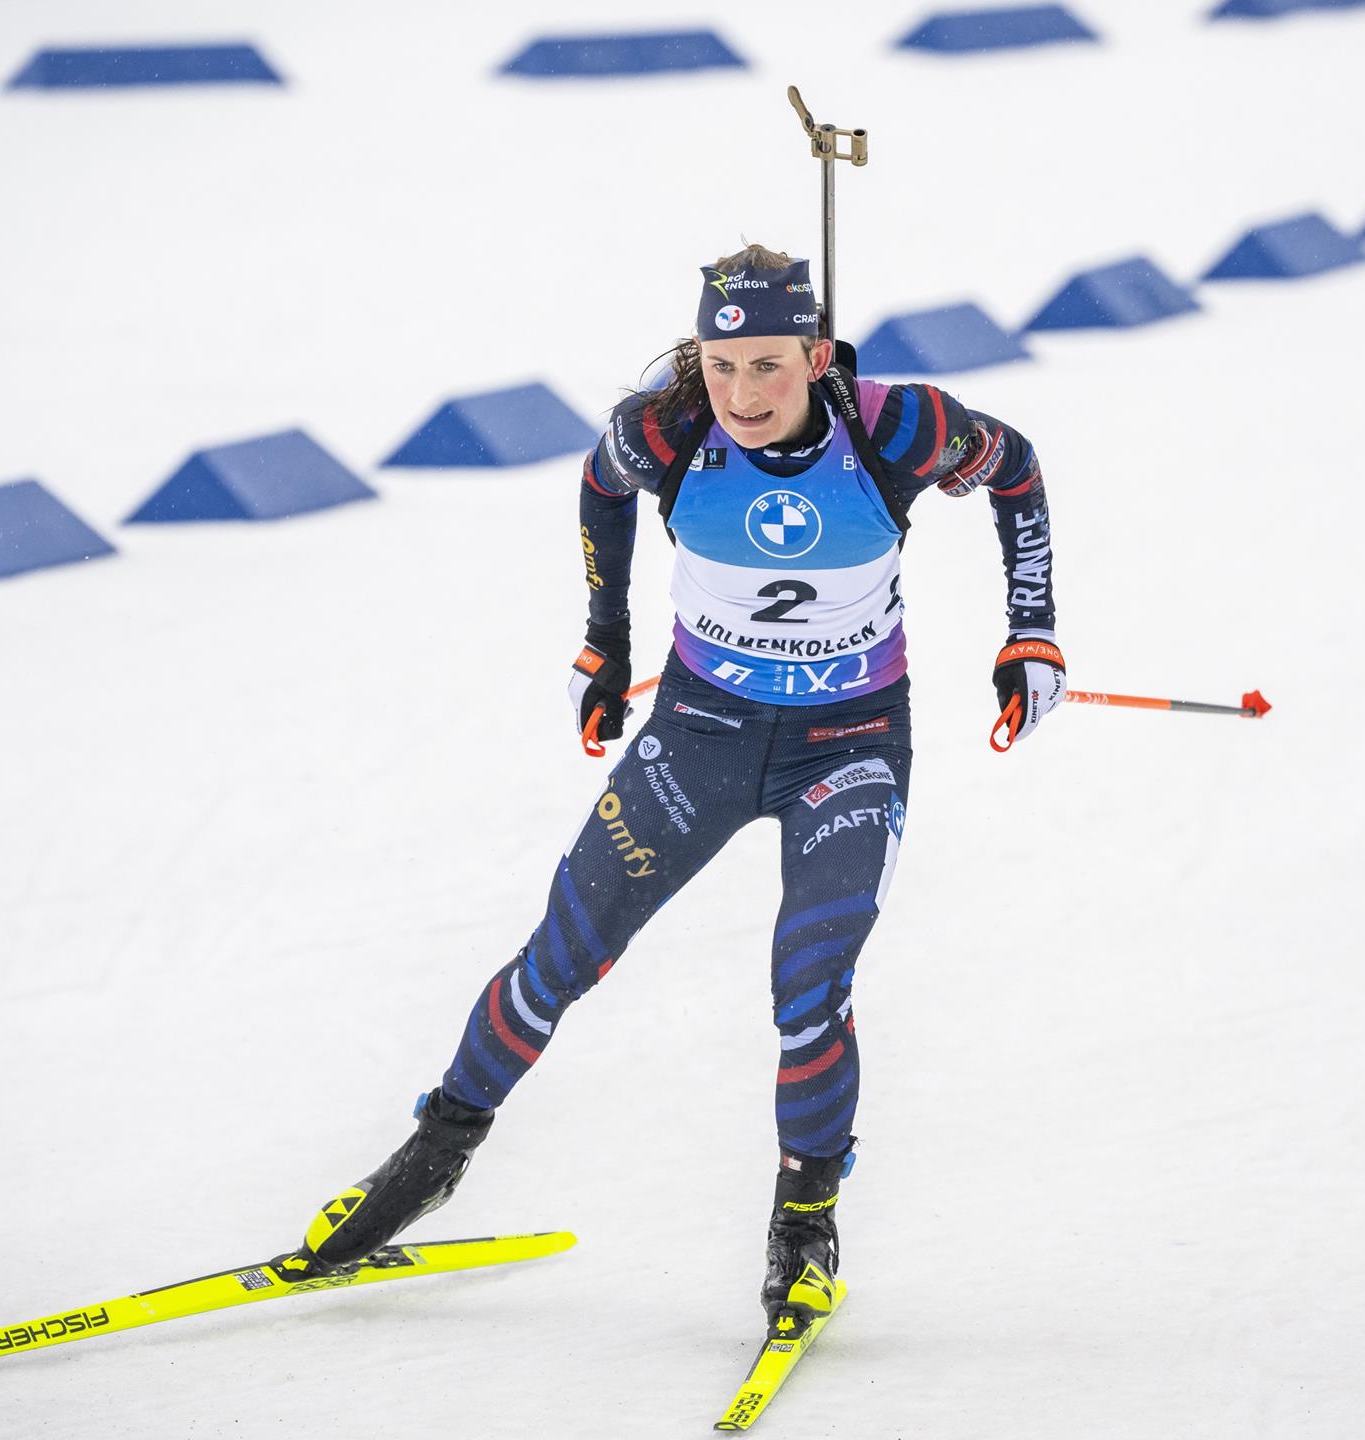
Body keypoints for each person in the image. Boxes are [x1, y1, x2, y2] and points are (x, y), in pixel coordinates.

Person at [280, 244, 1064, 1333]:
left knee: (809, 986)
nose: (742, 394)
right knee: (565, 950)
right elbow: (601, 490)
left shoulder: (895, 427)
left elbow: (1013, 471)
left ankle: (804, 1226)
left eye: (769, 368)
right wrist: (606, 643)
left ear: (816, 355)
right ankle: (430, 1157)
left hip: (848, 746)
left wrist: (1033, 635)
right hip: (699, 732)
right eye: (721, 363)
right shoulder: (666, 430)